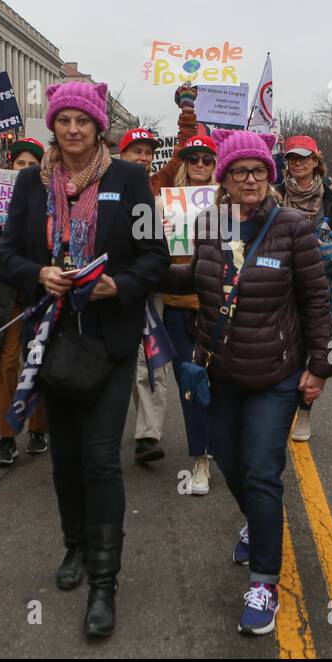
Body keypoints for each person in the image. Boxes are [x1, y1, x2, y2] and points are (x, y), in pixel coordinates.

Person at [0, 81, 169, 639]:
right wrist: (37, 274)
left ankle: (104, 580)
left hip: (109, 341)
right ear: (53, 124)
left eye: (83, 120)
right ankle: (74, 545)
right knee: (65, 461)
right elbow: (7, 253)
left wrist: (117, 284)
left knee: (99, 460)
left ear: (99, 127)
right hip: (51, 342)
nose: (73, 129)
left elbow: (155, 259)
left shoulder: (128, 179)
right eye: (63, 119)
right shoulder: (30, 182)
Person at [165, 129, 332, 635]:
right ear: (224, 179)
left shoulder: (292, 227)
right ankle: (256, 521)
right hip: (220, 372)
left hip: (275, 376)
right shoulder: (207, 225)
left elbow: (315, 301)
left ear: (271, 175)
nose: (250, 180)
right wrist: (142, 270)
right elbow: (195, 277)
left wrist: (320, 365)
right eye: (239, 172)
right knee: (234, 470)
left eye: (259, 171)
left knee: (262, 472)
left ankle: (264, 581)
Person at [122, 84, 200, 464]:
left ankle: (147, 435)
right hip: (106, 286)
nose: (143, 157)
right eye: (136, 151)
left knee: (150, 358)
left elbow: (186, 146)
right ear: (120, 154)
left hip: (150, 286)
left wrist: (187, 106)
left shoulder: (160, 184)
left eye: (149, 152)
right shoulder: (101, 184)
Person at [0, 137, 50, 466]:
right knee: (5, 364)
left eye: (31, 164)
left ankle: (38, 428)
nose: (24, 169)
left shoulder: (50, 197)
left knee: (38, 361)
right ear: (11, 167)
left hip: (40, 292)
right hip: (9, 295)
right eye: (19, 163)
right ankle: (6, 437)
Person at [275, 135, 332, 442]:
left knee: (314, 351)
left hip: (319, 284)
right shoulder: (276, 195)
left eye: (304, 158)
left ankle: (304, 412)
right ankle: (278, 409)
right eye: (292, 158)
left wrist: (318, 252)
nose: (298, 163)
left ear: (315, 161)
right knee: (281, 349)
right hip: (280, 283)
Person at [161, 133, 217, 495]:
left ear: (215, 165)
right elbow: (150, 260)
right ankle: (200, 457)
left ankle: (226, 446)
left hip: (220, 310)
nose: (198, 165)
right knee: (190, 386)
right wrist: (159, 235)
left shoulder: (230, 203)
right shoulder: (164, 204)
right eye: (192, 159)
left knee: (224, 385)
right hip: (178, 308)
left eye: (206, 159)